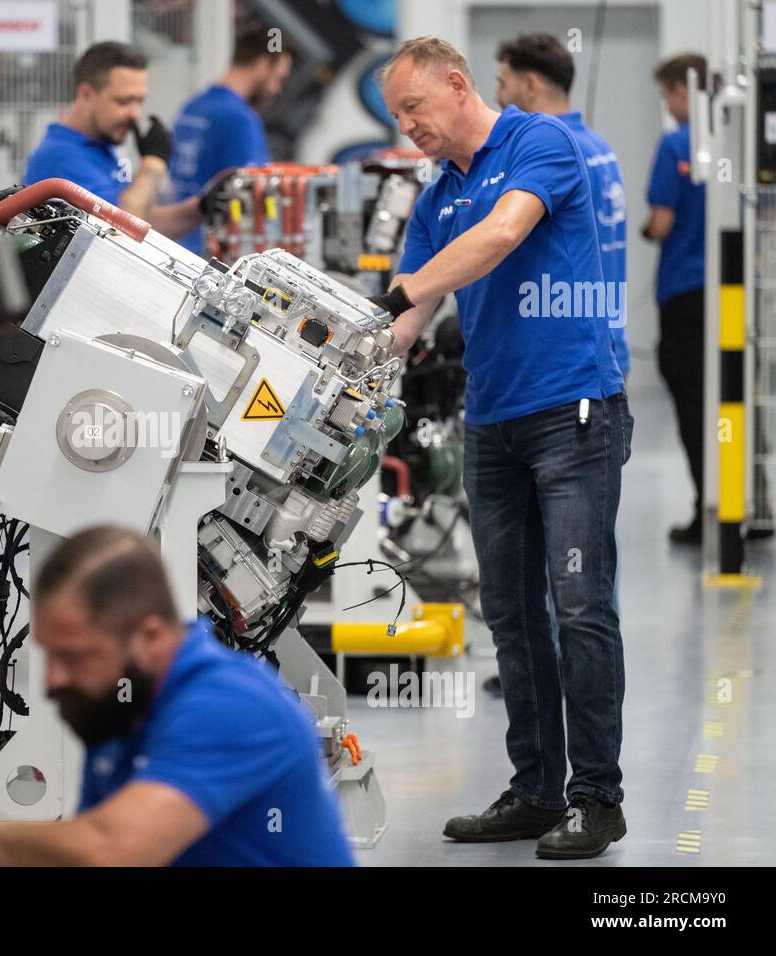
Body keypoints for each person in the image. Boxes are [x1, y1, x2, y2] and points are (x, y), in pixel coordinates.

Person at [371, 37, 631, 860]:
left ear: (457, 85)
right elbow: (407, 318)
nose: (407, 127)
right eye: (395, 116)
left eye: (414, 108)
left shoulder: (537, 143)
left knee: (579, 605)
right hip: (494, 424)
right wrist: (353, 361)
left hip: (574, 413)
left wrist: (406, 291)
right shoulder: (436, 194)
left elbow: (503, 236)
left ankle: (597, 796)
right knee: (513, 617)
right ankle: (534, 790)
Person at [0, 526, 355, 867]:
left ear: (149, 637)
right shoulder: (119, 720)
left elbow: (113, 850)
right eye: (50, 654)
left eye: (74, 655)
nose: (52, 681)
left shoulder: (230, 706)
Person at [495, 32, 630, 380]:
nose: (497, 97)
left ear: (529, 85)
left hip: (573, 354)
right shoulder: (598, 146)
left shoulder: (551, 154)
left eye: (502, 83)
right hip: (606, 337)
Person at [23, 42, 203, 240]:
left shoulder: (99, 148)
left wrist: (200, 208)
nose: (135, 114)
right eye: (123, 101)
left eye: (140, 101)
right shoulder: (62, 156)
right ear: (86, 94)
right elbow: (123, 233)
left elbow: (145, 223)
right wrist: (154, 163)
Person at [644, 53, 708, 544]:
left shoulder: (675, 145)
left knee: (691, 400)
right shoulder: (734, 141)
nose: (667, 105)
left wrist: (646, 230)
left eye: (667, 94)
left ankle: (707, 505)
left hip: (685, 291)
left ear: (683, 91)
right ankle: (750, 500)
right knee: (733, 397)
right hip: (730, 293)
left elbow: (660, 222)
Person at [169, 24, 293, 254]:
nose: (276, 90)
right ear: (263, 64)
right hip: (211, 252)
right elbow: (255, 195)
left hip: (175, 238)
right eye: (278, 79)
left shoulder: (193, 106)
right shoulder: (240, 119)